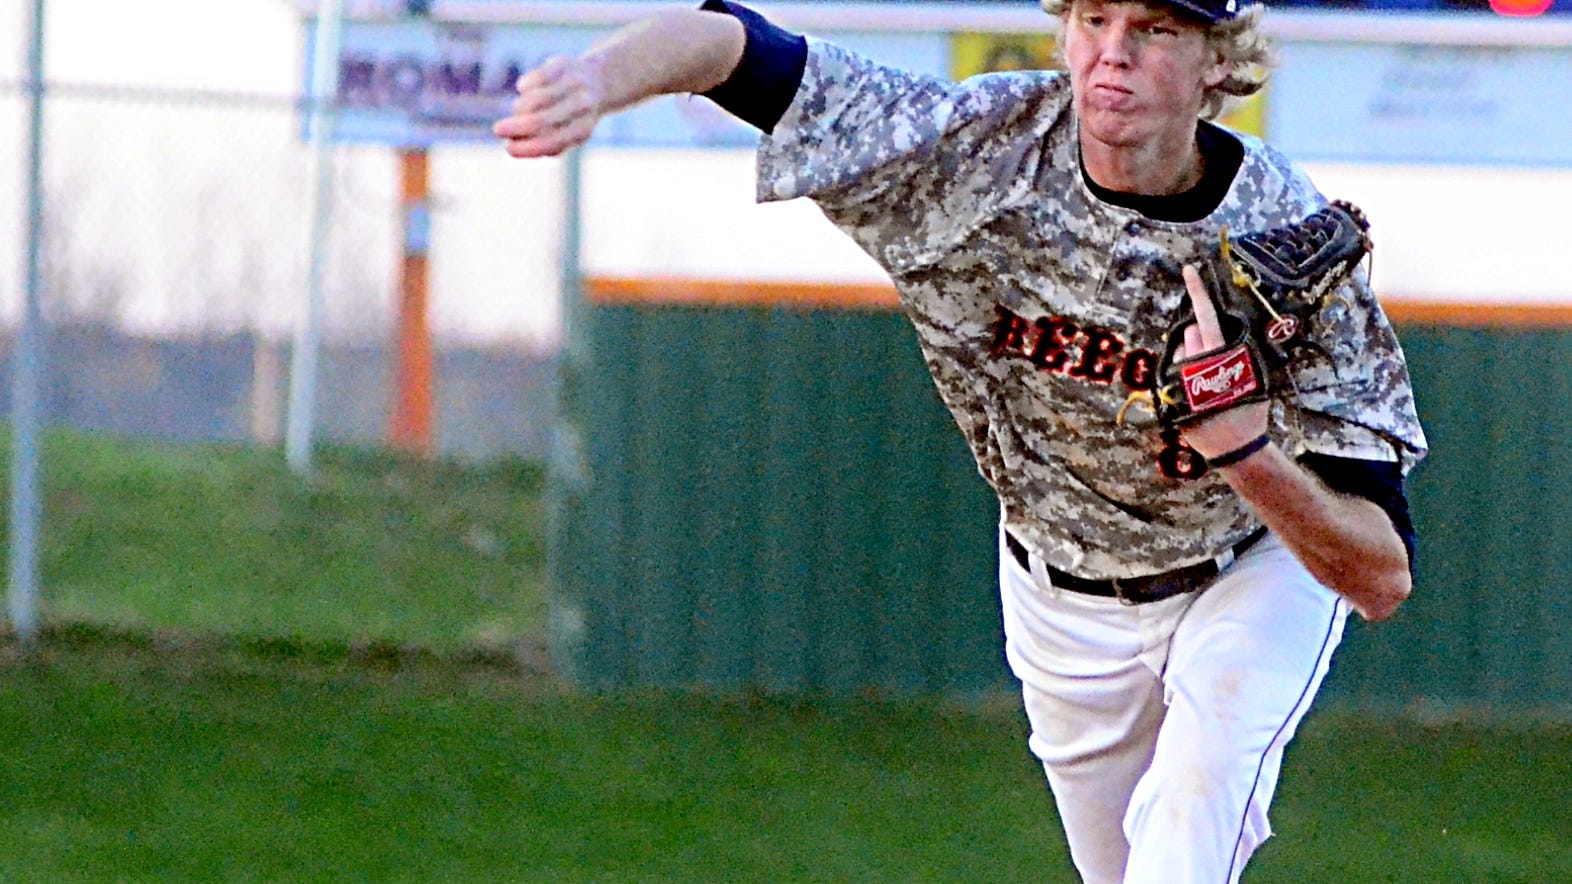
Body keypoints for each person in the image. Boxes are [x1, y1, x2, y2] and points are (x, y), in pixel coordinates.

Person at [494, 1, 1428, 881]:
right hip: (1060, 589)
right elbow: (730, 45)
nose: (1115, 50)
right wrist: (596, 78)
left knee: (1191, 817)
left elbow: (1380, 574)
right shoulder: (968, 155)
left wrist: (1247, 454)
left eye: (1155, 26)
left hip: (1245, 568)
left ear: (1221, 59)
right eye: (1092, 17)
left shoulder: (1282, 234)